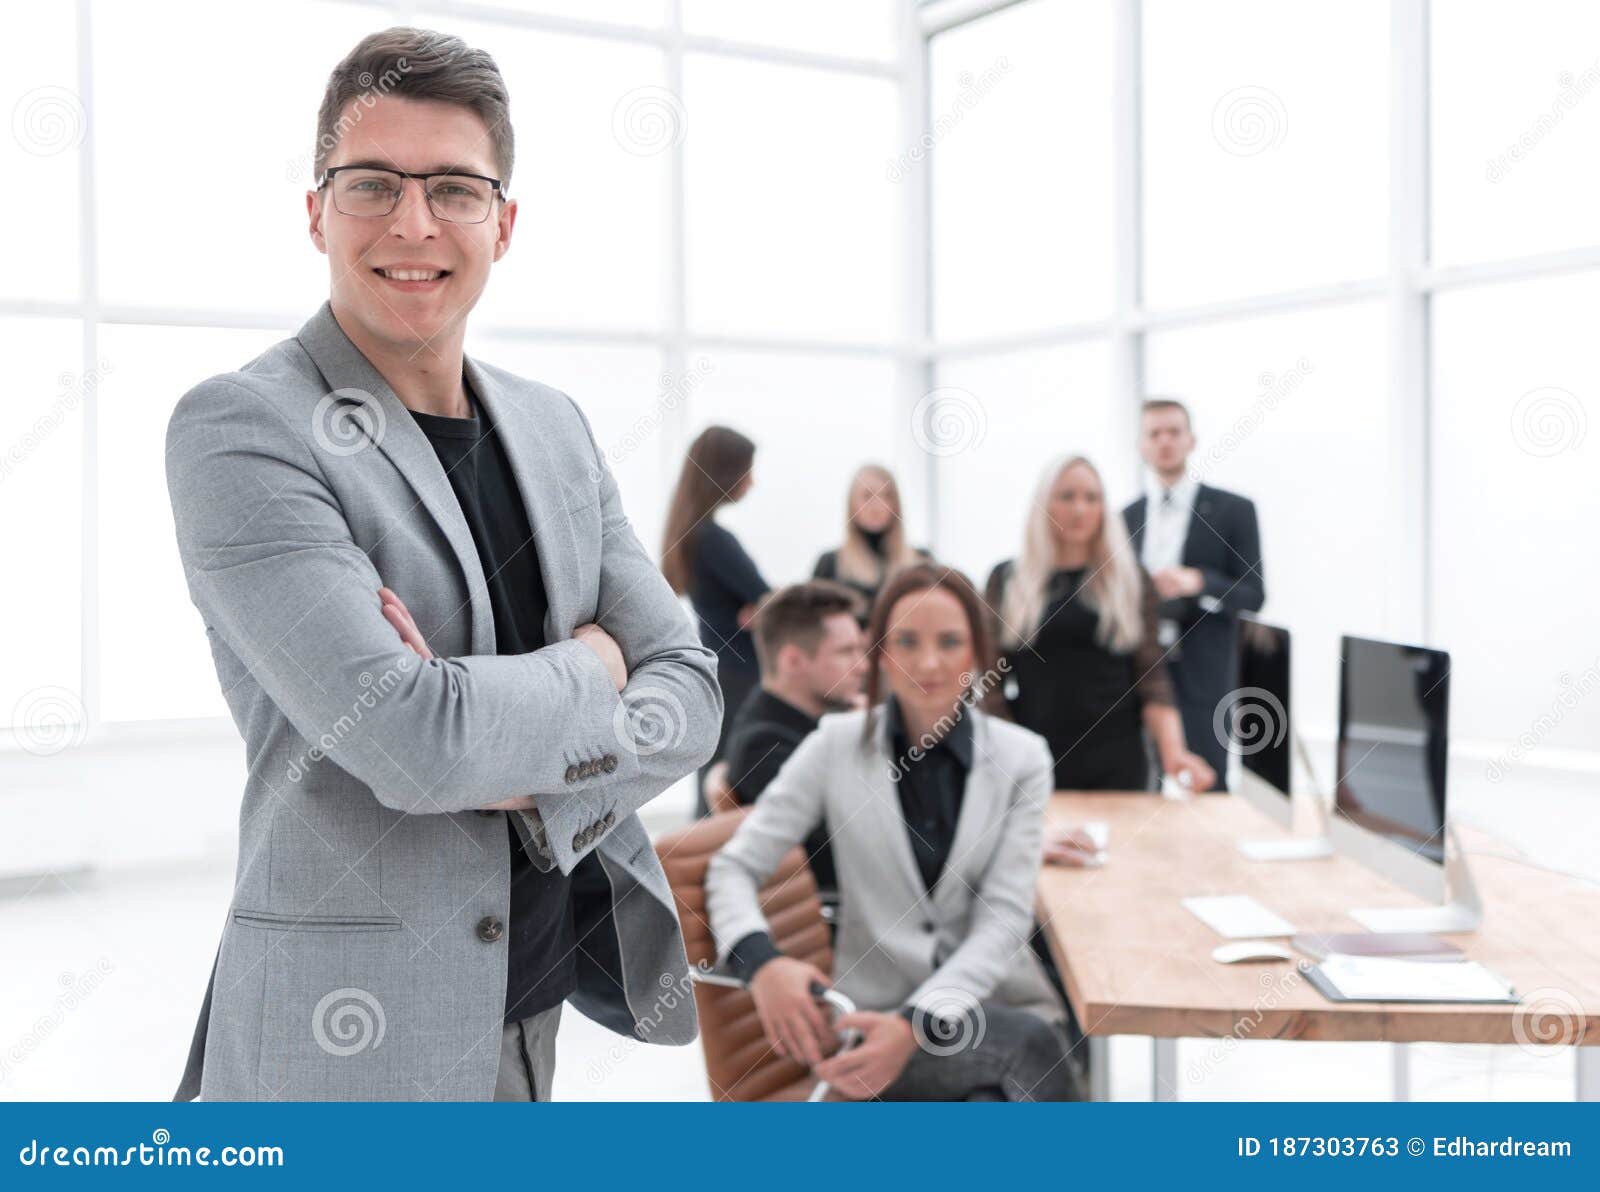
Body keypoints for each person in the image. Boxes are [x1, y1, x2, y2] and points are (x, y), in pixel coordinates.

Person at [163, 27, 721, 1102]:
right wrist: (599, 664)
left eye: (455, 189)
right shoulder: (243, 428)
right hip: (338, 1054)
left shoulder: (552, 428)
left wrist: (481, 723)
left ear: (502, 223)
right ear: (315, 210)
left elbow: (693, 695)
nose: (413, 222)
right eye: (372, 183)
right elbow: (415, 746)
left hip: (525, 1016)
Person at [706, 563, 1079, 1101]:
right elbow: (734, 865)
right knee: (1036, 1050)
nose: (928, 663)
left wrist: (916, 1025)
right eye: (906, 641)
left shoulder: (1023, 757)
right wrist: (759, 962)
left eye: (950, 642)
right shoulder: (834, 746)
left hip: (988, 1006)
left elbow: (1004, 919)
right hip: (870, 1025)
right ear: (879, 651)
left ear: (977, 653)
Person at [985, 455, 1216, 794]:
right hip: (1034, 758)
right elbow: (988, 685)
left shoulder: (1131, 579)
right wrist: (1008, 758)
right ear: (1044, 503)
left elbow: (1152, 678)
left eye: (1091, 498)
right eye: (1067, 496)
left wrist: (1174, 753)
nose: (1080, 509)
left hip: (1118, 759)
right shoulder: (1007, 579)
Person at [1122, 398, 1265, 791]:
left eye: (1173, 432)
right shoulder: (1124, 518)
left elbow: (1254, 593)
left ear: (1191, 440)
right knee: (1136, 781)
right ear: (1141, 445)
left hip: (1204, 669)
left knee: (1208, 781)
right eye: (1155, 433)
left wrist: (1198, 582)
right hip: (1140, 670)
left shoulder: (1233, 510)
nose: (1165, 441)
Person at [721, 580, 869, 893]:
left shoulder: (811, 723)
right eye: (847, 652)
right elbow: (849, 844)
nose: (863, 666)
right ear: (792, 661)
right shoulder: (763, 747)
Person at [661, 425, 769, 812]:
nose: (752, 481)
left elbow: (761, 603)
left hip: (720, 669)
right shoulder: (713, 539)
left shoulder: (692, 535)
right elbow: (768, 599)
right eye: (747, 470)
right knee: (729, 783)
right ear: (725, 472)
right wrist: (764, 607)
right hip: (739, 674)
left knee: (716, 782)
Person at [811, 463, 929, 626]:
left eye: (886, 496)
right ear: (852, 504)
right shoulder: (829, 564)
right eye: (868, 496)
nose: (876, 505)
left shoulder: (921, 561)